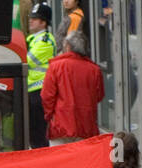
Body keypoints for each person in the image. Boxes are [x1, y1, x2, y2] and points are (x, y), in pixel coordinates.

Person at [41, 30, 102, 144]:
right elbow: (98, 96)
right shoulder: (95, 70)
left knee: (59, 159)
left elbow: (46, 96)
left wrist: (50, 116)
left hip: (60, 125)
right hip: (86, 126)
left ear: (68, 47)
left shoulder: (55, 66)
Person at [26, 3, 57, 149]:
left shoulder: (45, 40)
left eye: (35, 18)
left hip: (39, 92)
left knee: (38, 134)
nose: (31, 20)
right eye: (31, 17)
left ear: (44, 23)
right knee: (33, 133)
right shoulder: (32, 39)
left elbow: (26, 60)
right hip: (32, 91)